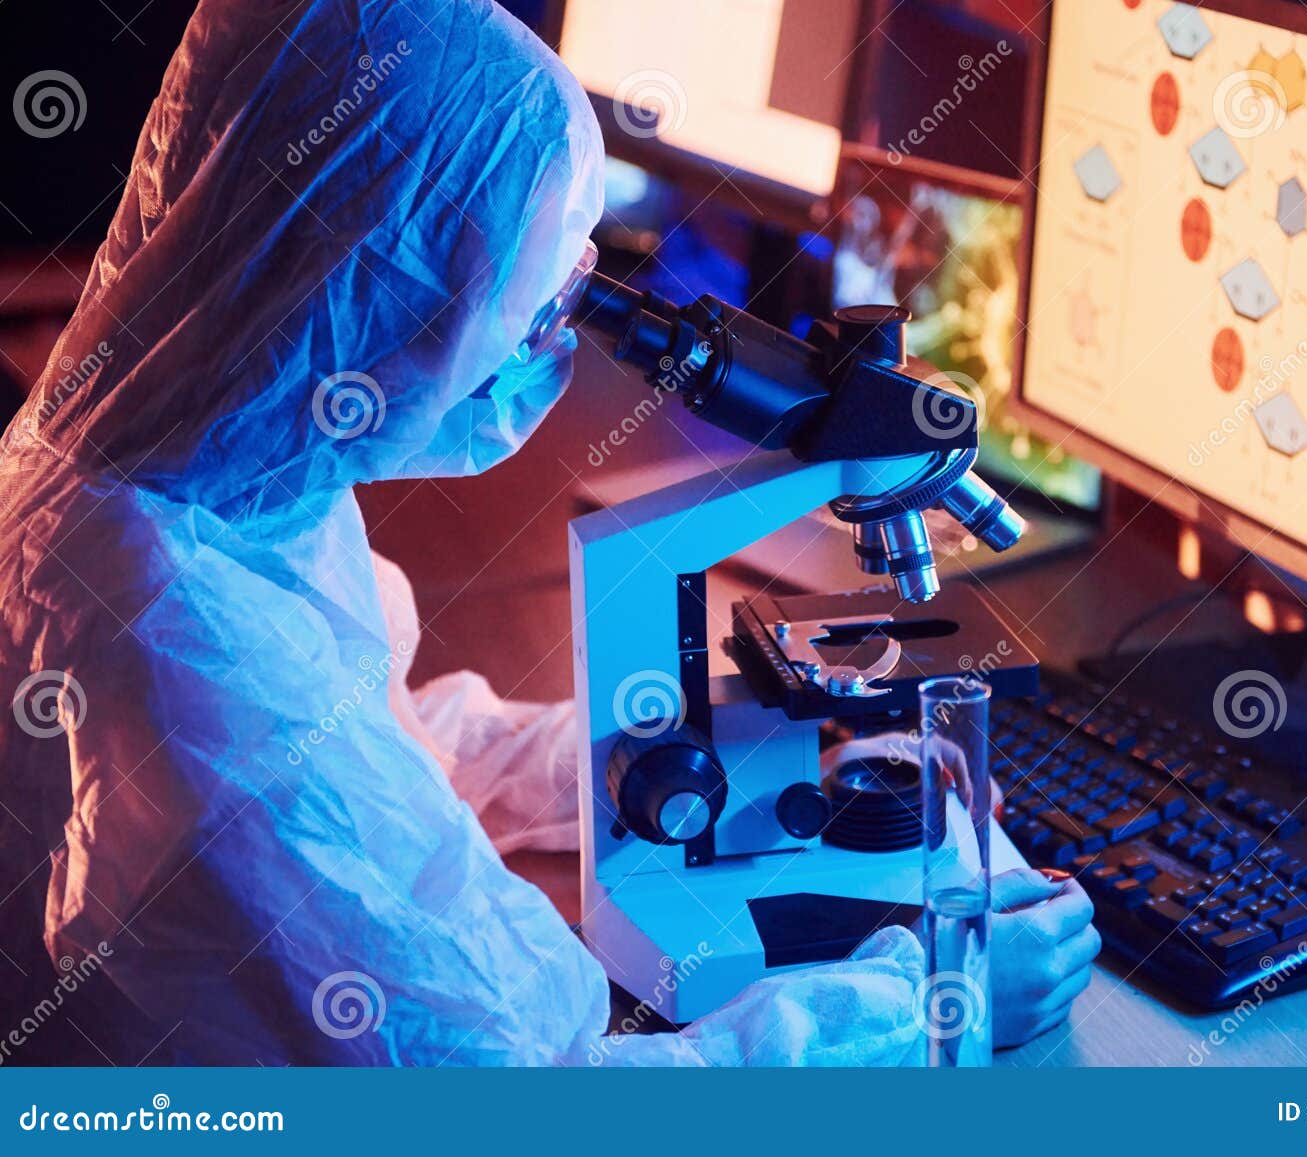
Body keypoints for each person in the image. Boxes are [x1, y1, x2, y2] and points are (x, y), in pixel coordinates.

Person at [0, 0, 1097, 1065]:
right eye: (526, 297)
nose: (554, 340)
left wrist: (736, 763)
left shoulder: (186, 479)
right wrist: (937, 1002)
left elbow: (390, 753)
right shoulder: (198, 683)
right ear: (370, 286)